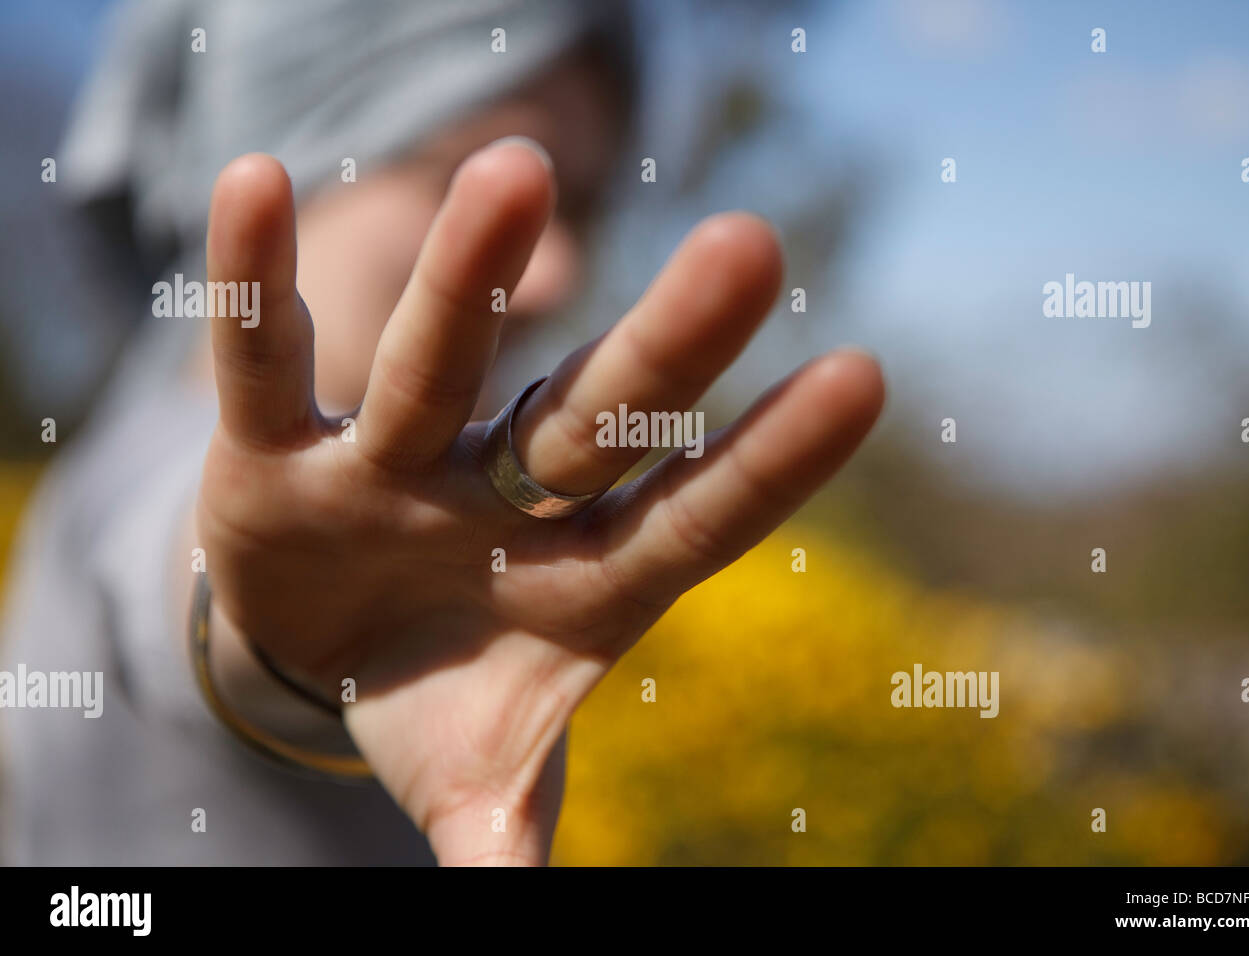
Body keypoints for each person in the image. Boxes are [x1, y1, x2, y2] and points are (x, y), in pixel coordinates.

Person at [1, 0, 884, 866]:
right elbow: (185, 562)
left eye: (578, 211)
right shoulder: (141, 469)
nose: (557, 272)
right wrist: (275, 645)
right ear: (298, 155)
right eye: (463, 176)